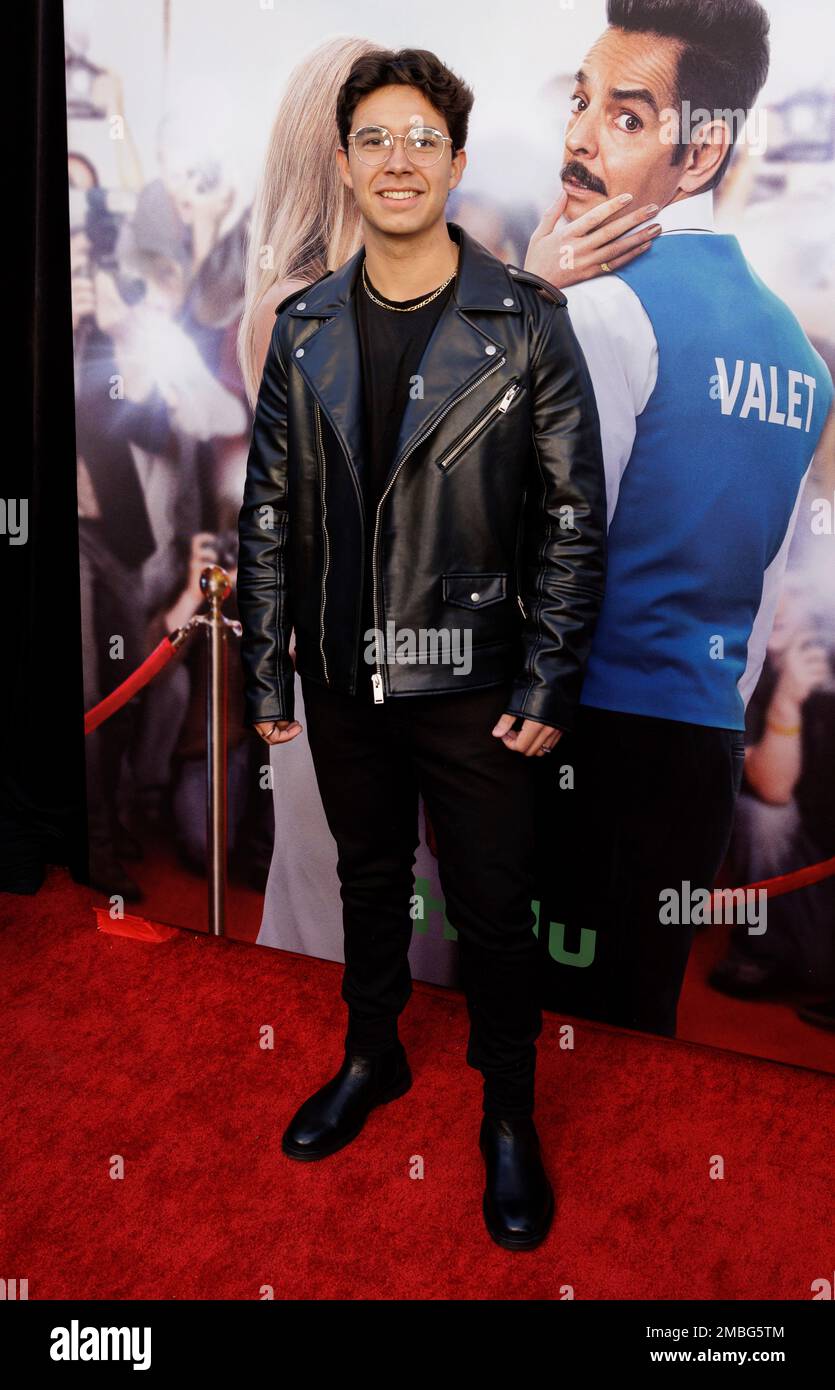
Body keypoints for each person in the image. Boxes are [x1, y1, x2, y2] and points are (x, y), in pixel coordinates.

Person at [236, 47, 608, 1251]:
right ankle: (372, 1056)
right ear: (344, 165)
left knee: (496, 910)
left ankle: (508, 1116)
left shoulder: (526, 320)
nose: (397, 161)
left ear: (453, 158)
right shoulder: (302, 330)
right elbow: (269, 512)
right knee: (364, 881)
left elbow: (570, 517)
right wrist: (266, 671)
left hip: (477, 684)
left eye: (421, 139)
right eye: (374, 140)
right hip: (344, 676)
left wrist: (548, 673)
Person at [523, 0, 835, 1036]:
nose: (576, 136)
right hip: (699, 750)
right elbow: (754, 611)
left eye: (622, 116)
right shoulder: (797, 356)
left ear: (699, 149)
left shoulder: (599, 307)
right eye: (579, 101)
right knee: (638, 1029)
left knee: (545, 1034)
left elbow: (548, 554)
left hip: (573, 737)